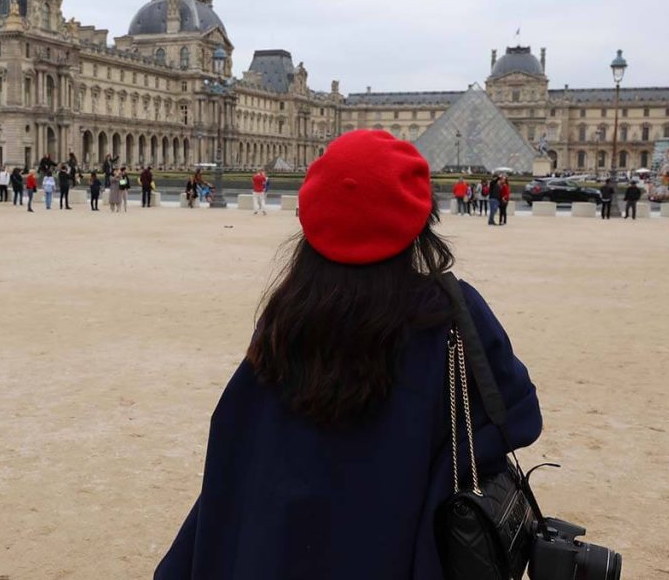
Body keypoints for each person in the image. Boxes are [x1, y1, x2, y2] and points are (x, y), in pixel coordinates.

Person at [154, 130, 542, 578]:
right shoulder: (451, 315)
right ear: (418, 220)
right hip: (400, 545)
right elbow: (517, 415)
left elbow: (234, 444)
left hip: (281, 547)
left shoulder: (287, 315)